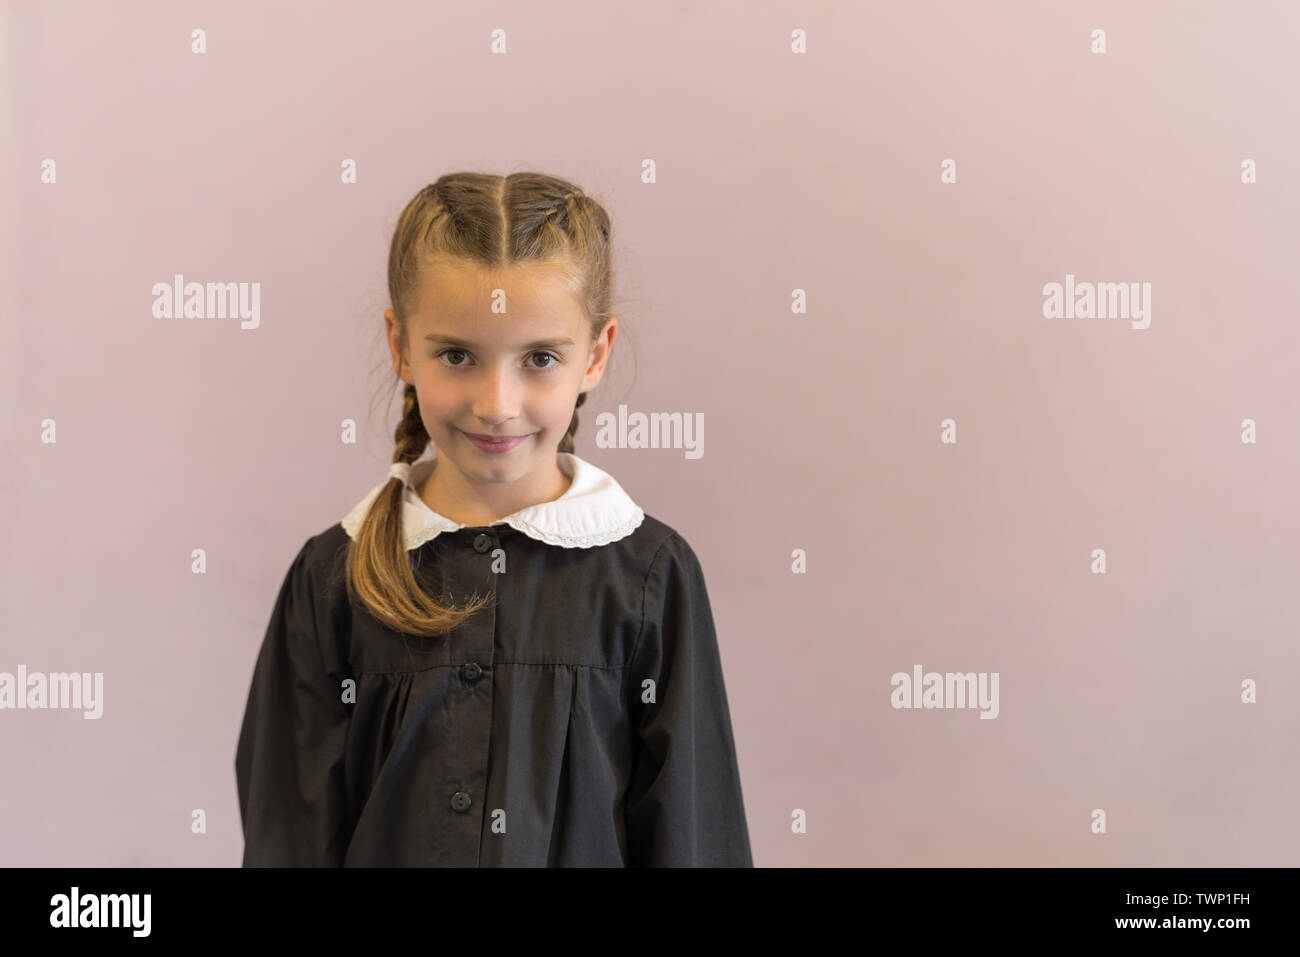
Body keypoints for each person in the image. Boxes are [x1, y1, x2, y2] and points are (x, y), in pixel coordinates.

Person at [234, 171, 753, 867]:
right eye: (457, 355)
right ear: (400, 345)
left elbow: (696, 841)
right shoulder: (331, 578)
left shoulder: (652, 578)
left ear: (595, 354)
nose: (497, 404)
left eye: (540, 358)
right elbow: (288, 843)